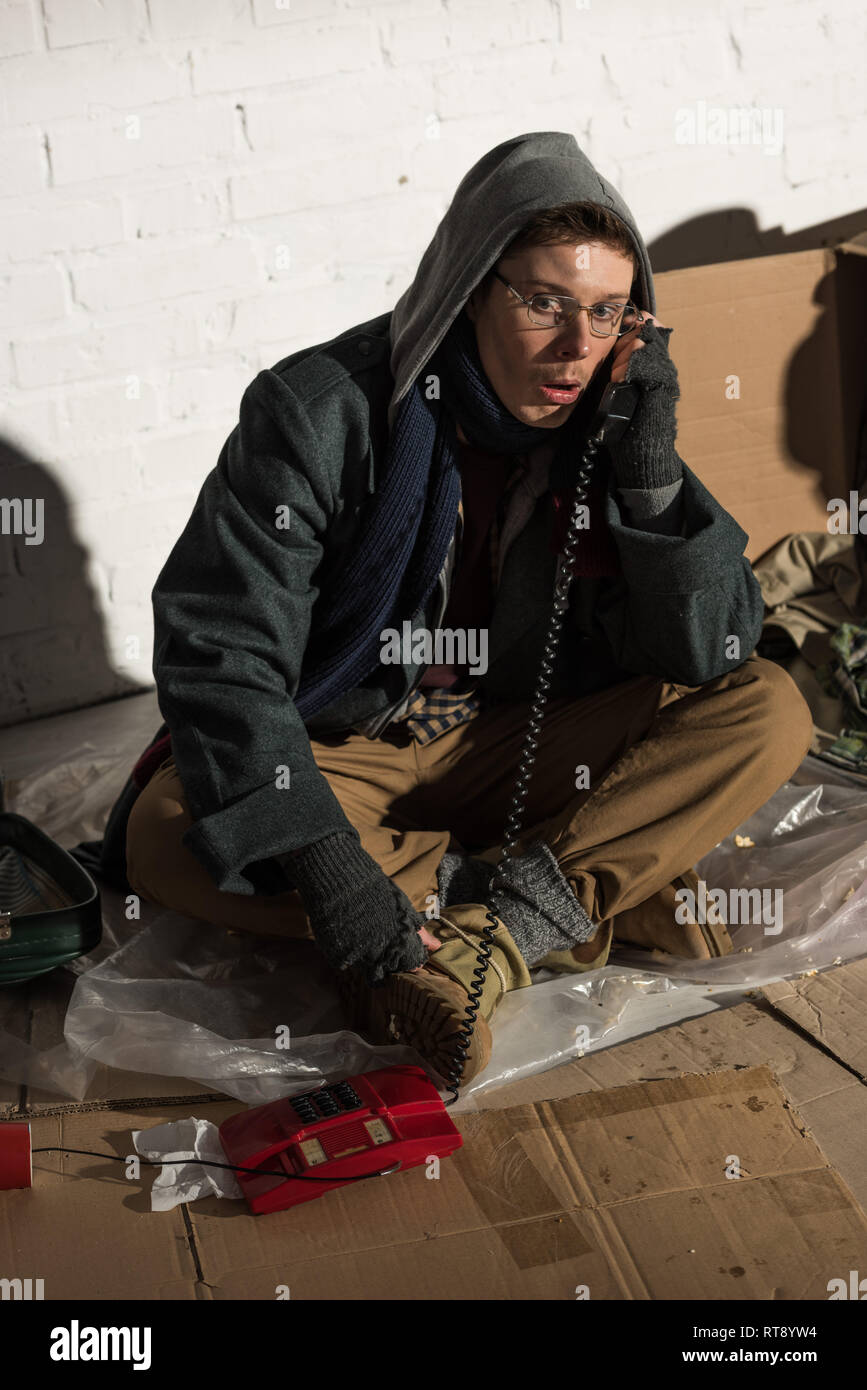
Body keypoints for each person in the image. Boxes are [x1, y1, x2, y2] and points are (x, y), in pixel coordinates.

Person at [101, 132, 813, 1088]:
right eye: (544, 302)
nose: (574, 346)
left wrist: (648, 484)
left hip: (519, 739)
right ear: (473, 285)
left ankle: (493, 935)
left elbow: (709, 650)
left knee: (767, 706)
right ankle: (546, 895)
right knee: (166, 830)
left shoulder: (610, 420)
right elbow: (221, 656)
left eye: (605, 313)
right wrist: (330, 868)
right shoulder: (319, 412)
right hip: (348, 744)